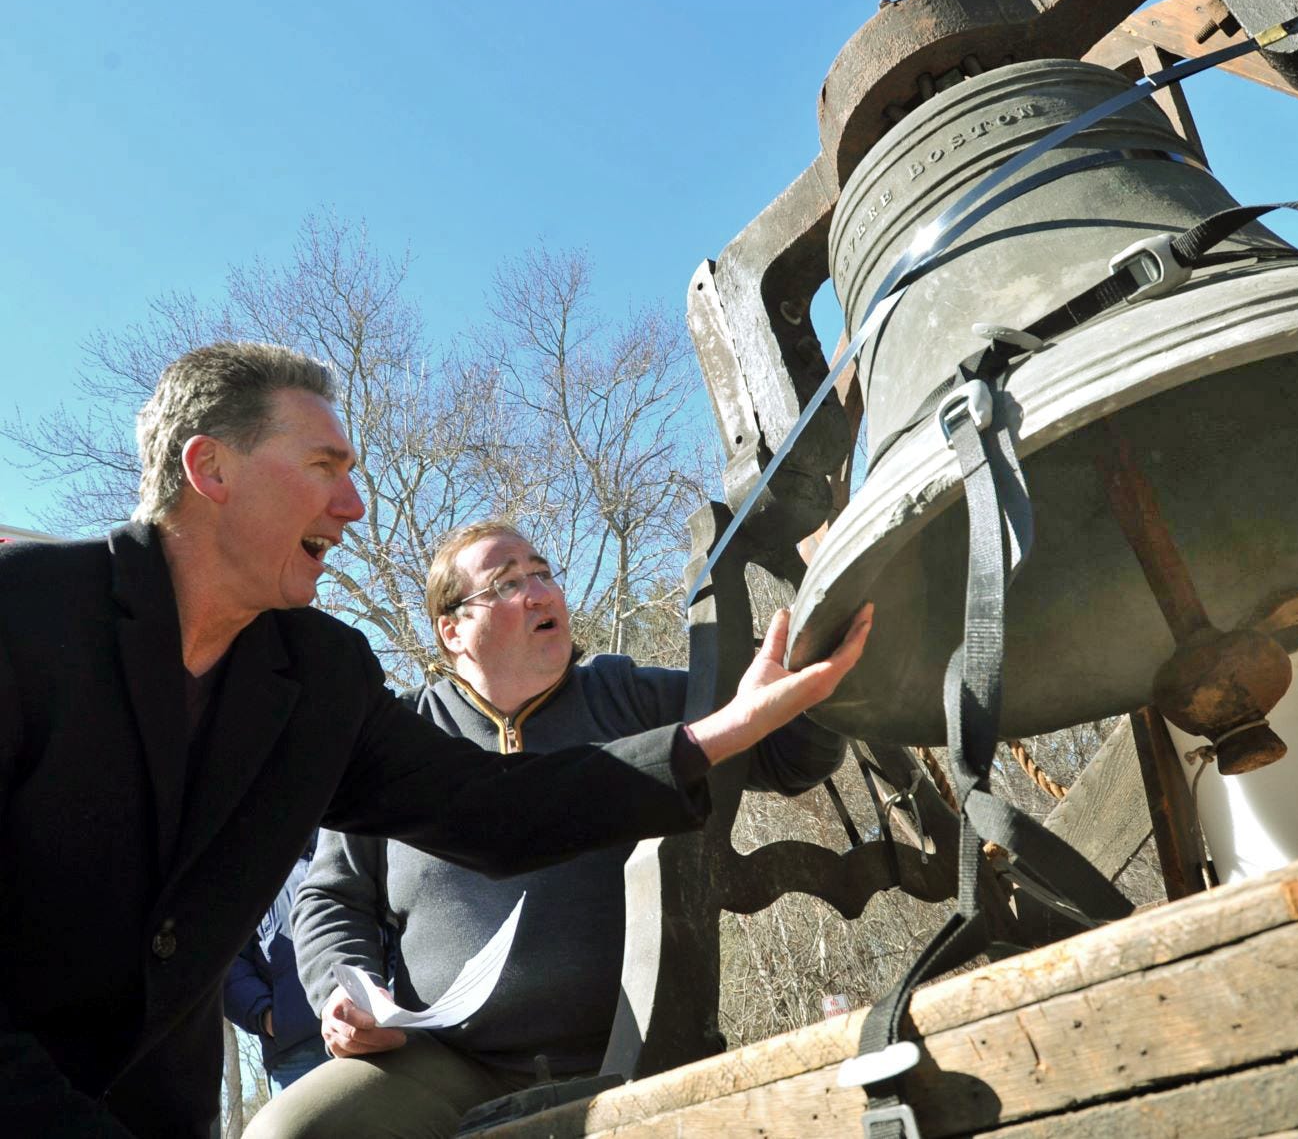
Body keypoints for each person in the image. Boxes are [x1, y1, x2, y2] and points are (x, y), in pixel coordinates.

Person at [0, 342, 871, 1137]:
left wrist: (718, 733)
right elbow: (330, 901)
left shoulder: (320, 678)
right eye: (324, 466)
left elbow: (494, 809)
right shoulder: (21, 612)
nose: (355, 504)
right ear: (210, 467)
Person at [248, 521, 846, 1136]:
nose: (541, 592)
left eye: (543, 573)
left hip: (638, 1045)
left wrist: (826, 623)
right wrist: (345, 992)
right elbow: (329, 896)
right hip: (450, 1062)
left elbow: (791, 757)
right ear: (451, 629)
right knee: (288, 1132)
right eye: (507, 583)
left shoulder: (628, 696)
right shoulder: (399, 739)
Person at [222, 840, 330, 1093]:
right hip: (296, 1052)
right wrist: (268, 1017)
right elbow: (226, 959)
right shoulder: (243, 870)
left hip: (376, 1029)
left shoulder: (352, 839)